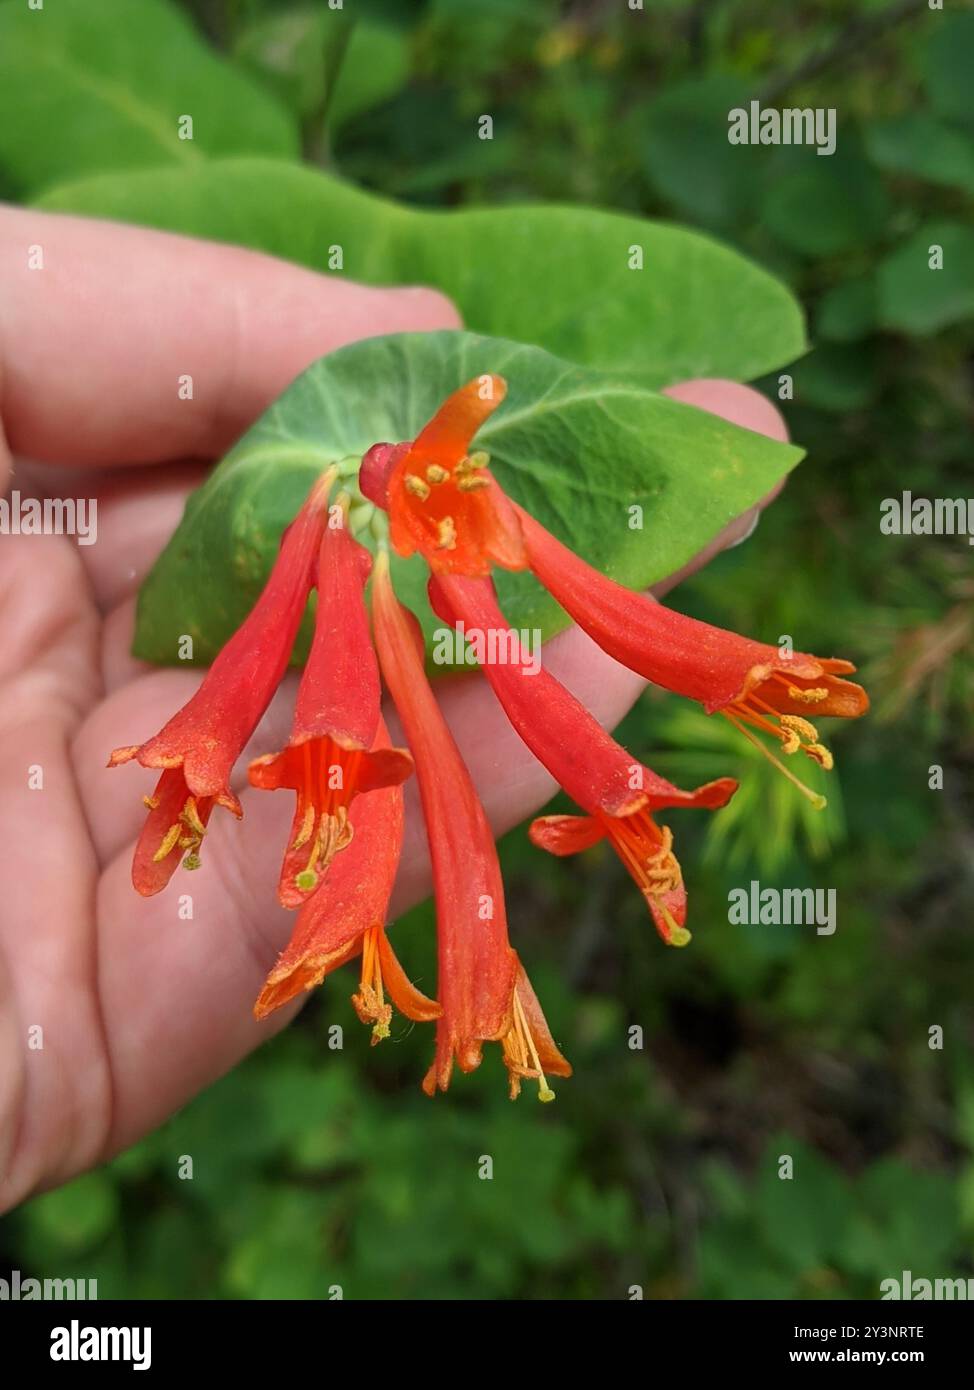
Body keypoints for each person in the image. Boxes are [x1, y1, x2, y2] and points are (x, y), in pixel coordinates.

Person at [0, 205, 788, 1211]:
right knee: (395, 627)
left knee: (469, 634)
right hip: (337, 512)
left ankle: (573, 830)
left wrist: (438, 532)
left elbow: (465, 519)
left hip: (386, 527)